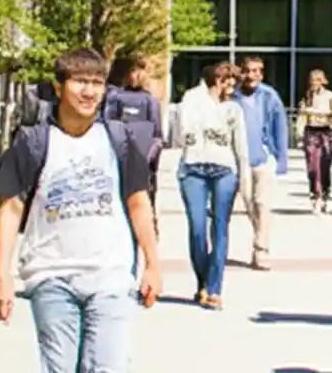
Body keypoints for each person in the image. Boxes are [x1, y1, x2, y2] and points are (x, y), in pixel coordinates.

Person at [0, 48, 161, 373]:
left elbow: (139, 202)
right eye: (80, 81)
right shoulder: (32, 142)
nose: (89, 91)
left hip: (110, 276)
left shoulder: (120, 140)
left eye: (97, 82)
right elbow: (9, 209)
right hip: (51, 276)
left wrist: (153, 264)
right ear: (58, 86)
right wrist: (1, 276)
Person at [177, 62, 251, 310]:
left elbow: (240, 147)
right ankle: (203, 282)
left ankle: (215, 288)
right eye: (227, 80)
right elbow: (183, 133)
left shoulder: (234, 108)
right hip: (194, 167)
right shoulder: (192, 99)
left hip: (224, 170)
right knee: (197, 227)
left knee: (220, 228)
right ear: (216, 79)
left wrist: (244, 179)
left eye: (234, 82)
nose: (231, 86)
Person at [232, 56, 289, 269]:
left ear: (262, 74)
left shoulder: (269, 96)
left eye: (257, 71)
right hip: (241, 159)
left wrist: (281, 158)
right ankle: (259, 236)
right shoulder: (232, 97)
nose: (252, 75)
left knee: (263, 203)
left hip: (263, 158)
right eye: (247, 71)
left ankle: (261, 249)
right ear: (241, 73)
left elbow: (280, 127)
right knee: (249, 203)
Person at [104, 57, 165, 236]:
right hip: (120, 156)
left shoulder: (150, 101)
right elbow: (108, 125)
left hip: (144, 158)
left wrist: (151, 157)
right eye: (134, 71)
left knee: (145, 196)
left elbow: (157, 134)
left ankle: (147, 227)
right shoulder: (115, 98)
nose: (138, 76)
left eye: (142, 72)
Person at [296, 69, 332, 215]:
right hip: (311, 132)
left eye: (317, 80)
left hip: (327, 132)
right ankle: (315, 194)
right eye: (312, 80)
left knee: (325, 165)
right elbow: (302, 116)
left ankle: (325, 192)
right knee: (312, 165)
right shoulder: (307, 97)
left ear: (323, 81)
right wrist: (298, 133)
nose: (314, 83)